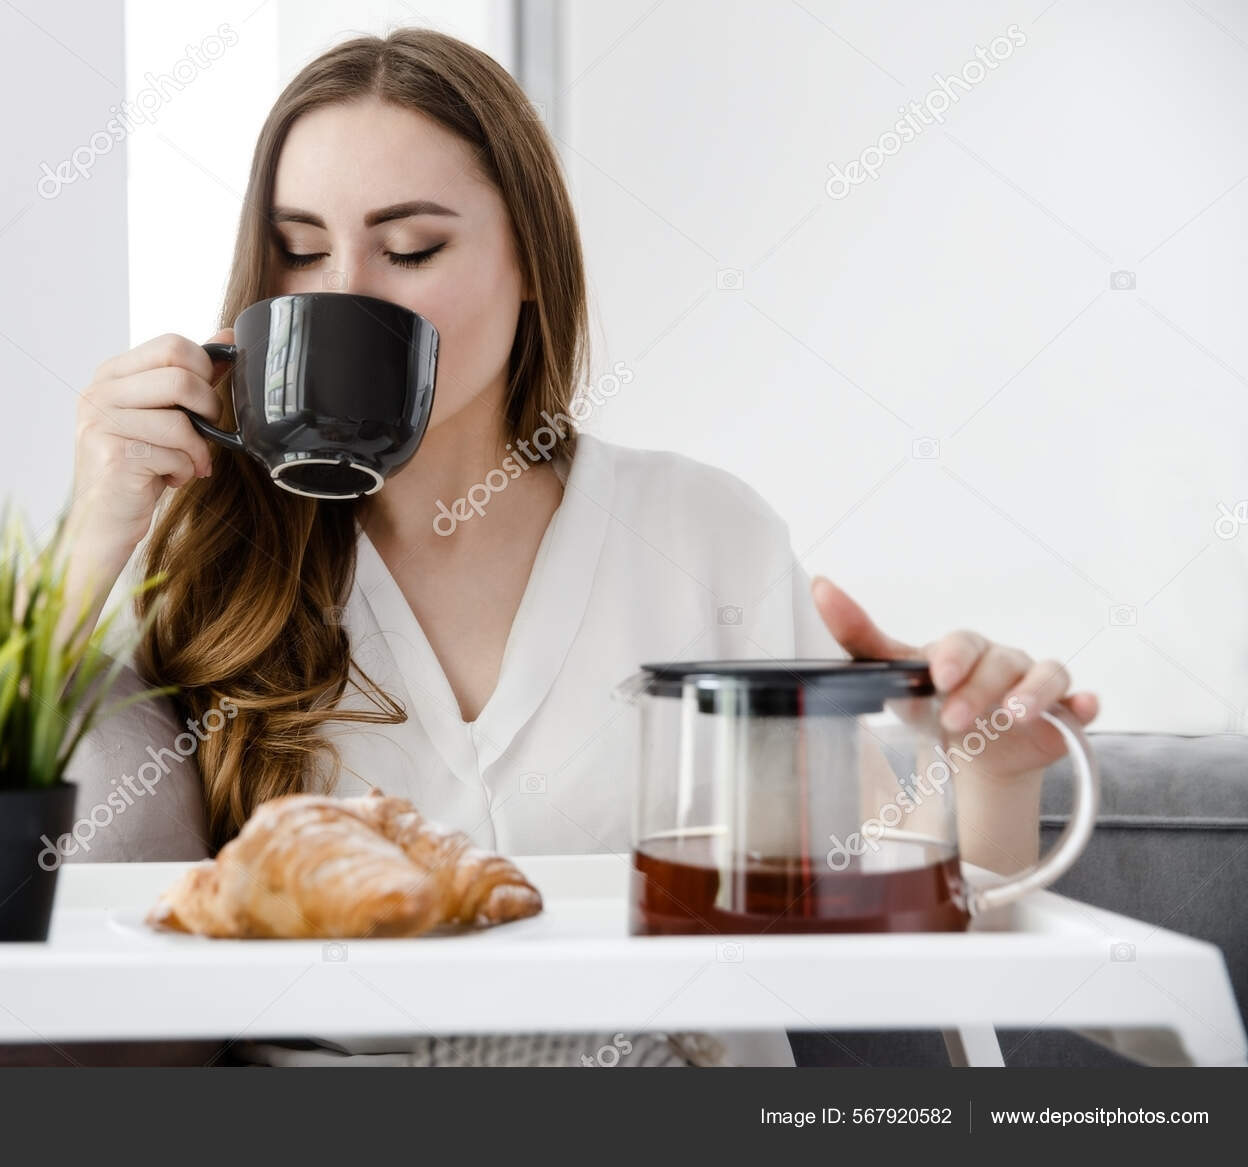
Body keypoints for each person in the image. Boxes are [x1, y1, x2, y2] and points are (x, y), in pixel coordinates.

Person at [56, 28, 1100, 1067]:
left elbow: (910, 922)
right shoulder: (206, 555)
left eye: (411, 248)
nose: (347, 290)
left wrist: (990, 775)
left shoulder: (702, 533)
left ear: (531, 271)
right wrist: (95, 528)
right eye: (299, 247)